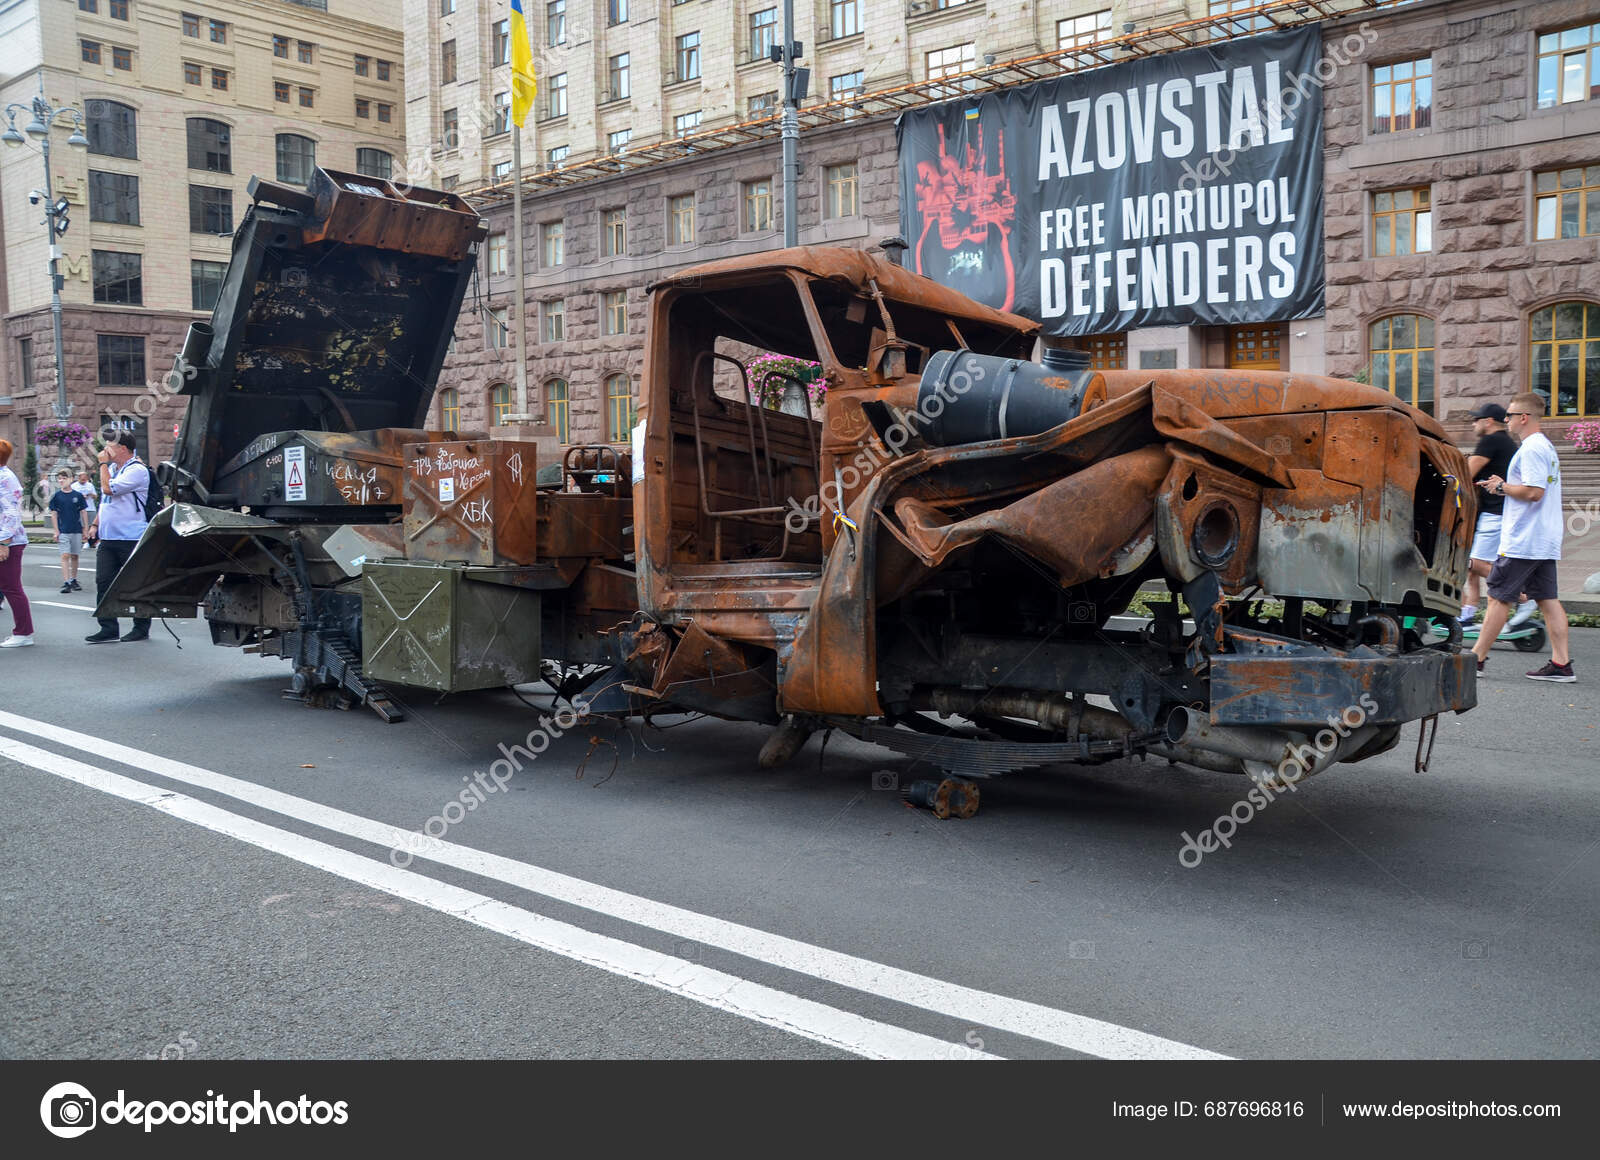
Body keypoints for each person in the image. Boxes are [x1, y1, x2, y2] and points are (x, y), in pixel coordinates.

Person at [1471, 393, 1574, 682]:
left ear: (1524, 417)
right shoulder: (1545, 447)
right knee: (1547, 600)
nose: (1507, 420)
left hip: (1525, 539)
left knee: (1497, 597)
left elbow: (1533, 491)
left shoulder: (1531, 448)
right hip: (1542, 538)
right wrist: (1502, 485)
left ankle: (1475, 659)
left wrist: (1502, 487)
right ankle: (1561, 664)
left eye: (1511, 415)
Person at [84, 433, 152, 643]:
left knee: (135, 583)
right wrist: (95, 524)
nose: (105, 450)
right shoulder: (114, 469)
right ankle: (108, 627)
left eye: (110, 446)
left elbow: (108, 489)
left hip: (131, 536)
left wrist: (102, 464)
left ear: (123, 448)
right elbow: (105, 502)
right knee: (103, 582)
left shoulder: (136, 471)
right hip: (109, 537)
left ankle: (141, 626)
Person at [1458, 402, 1518, 626]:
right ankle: (1467, 613)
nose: (1474, 423)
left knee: (1474, 563)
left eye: (1477, 419)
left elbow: (1466, 472)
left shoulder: (1491, 440)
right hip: (1500, 511)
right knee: (1473, 570)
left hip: (1494, 513)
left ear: (1488, 421)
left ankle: (1523, 594)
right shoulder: (1506, 442)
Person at [0, 438, 35, 648]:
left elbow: (12, 513)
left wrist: (4, 541)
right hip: (6, 539)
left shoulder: (4, 478)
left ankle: (23, 632)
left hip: (9, 541)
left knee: (11, 587)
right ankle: (23, 632)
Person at [46, 469, 88, 593]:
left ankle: (74, 579)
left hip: (76, 529)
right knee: (65, 555)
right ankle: (66, 582)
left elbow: (83, 512)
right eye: (59, 478)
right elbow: (54, 514)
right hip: (63, 530)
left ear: (70, 479)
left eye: (64, 478)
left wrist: (86, 528)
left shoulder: (77, 495)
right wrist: (56, 530)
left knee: (75, 556)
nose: (61, 480)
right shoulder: (57, 496)